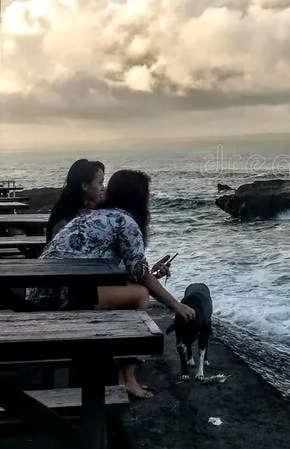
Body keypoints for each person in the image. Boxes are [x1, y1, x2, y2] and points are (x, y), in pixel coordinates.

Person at [28, 169, 194, 398]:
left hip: (41, 292)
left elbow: (126, 271)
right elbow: (140, 275)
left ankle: (117, 367)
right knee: (140, 295)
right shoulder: (125, 221)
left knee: (137, 289)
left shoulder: (92, 214)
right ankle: (127, 377)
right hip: (60, 297)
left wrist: (149, 273)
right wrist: (177, 305)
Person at [46, 159, 106, 243]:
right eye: (100, 183)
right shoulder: (66, 216)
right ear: (85, 186)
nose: (103, 188)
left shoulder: (92, 208)